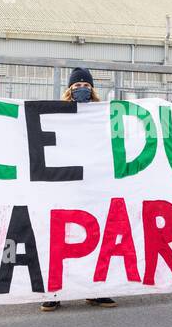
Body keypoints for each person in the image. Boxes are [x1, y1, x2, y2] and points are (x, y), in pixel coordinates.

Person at [42, 67, 117, 311]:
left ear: (92, 89)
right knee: (60, 238)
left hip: (94, 185)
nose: (81, 89)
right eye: (77, 86)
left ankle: (96, 289)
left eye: (85, 86)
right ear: (69, 90)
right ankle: (54, 291)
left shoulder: (102, 114)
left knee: (97, 237)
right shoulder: (57, 114)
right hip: (65, 183)